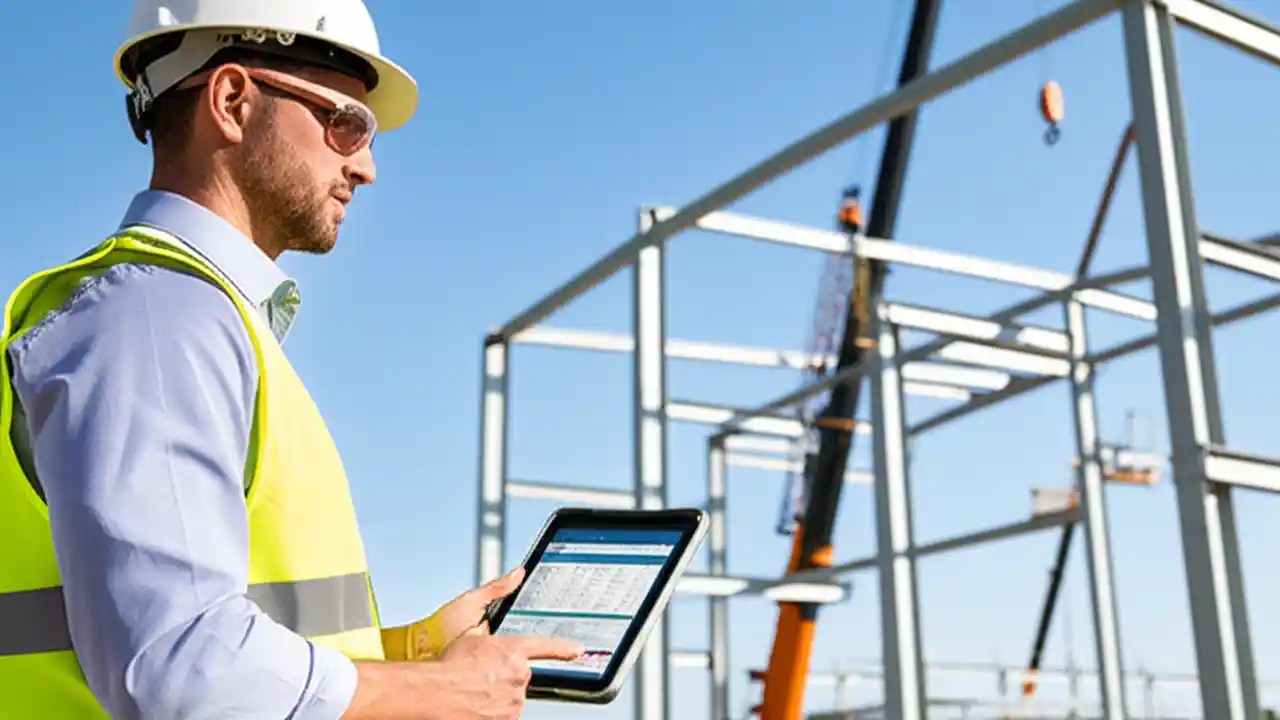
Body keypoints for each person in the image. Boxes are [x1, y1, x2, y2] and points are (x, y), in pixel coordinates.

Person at [0, 1, 582, 718]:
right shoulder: (155, 321)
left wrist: (415, 650)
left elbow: (207, 637)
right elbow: (178, 668)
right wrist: (446, 690)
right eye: (347, 123)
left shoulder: (193, 319)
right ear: (234, 100)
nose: (365, 166)